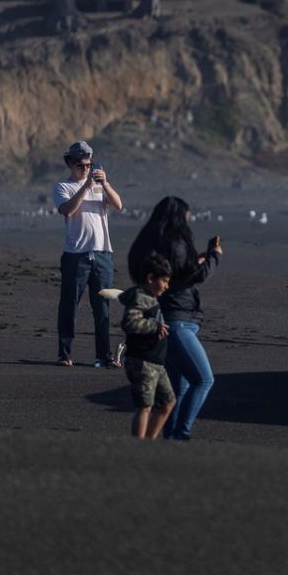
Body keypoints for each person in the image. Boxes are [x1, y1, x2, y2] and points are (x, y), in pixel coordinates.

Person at [128, 196, 222, 441]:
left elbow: (177, 273)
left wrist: (196, 261)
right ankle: (181, 432)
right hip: (178, 319)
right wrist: (213, 257)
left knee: (179, 388)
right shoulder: (175, 242)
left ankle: (168, 439)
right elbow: (191, 277)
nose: (189, 221)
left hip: (166, 317)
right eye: (187, 216)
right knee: (203, 380)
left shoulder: (151, 243)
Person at [53, 141, 123, 367]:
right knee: (69, 305)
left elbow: (118, 205)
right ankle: (64, 354)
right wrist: (85, 186)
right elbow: (67, 210)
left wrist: (106, 184)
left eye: (89, 165)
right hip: (76, 255)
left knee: (102, 308)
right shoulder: (63, 186)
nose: (85, 170)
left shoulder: (100, 185)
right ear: (70, 164)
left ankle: (104, 356)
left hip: (102, 253)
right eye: (81, 166)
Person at [120, 252, 175, 440]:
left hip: (156, 362)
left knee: (168, 402)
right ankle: (139, 447)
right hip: (142, 361)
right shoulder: (141, 297)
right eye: (165, 281)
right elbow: (129, 322)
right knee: (144, 407)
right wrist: (154, 326)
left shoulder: (150, 297)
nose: (167, 286)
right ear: (151, 278)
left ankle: (148, 443)